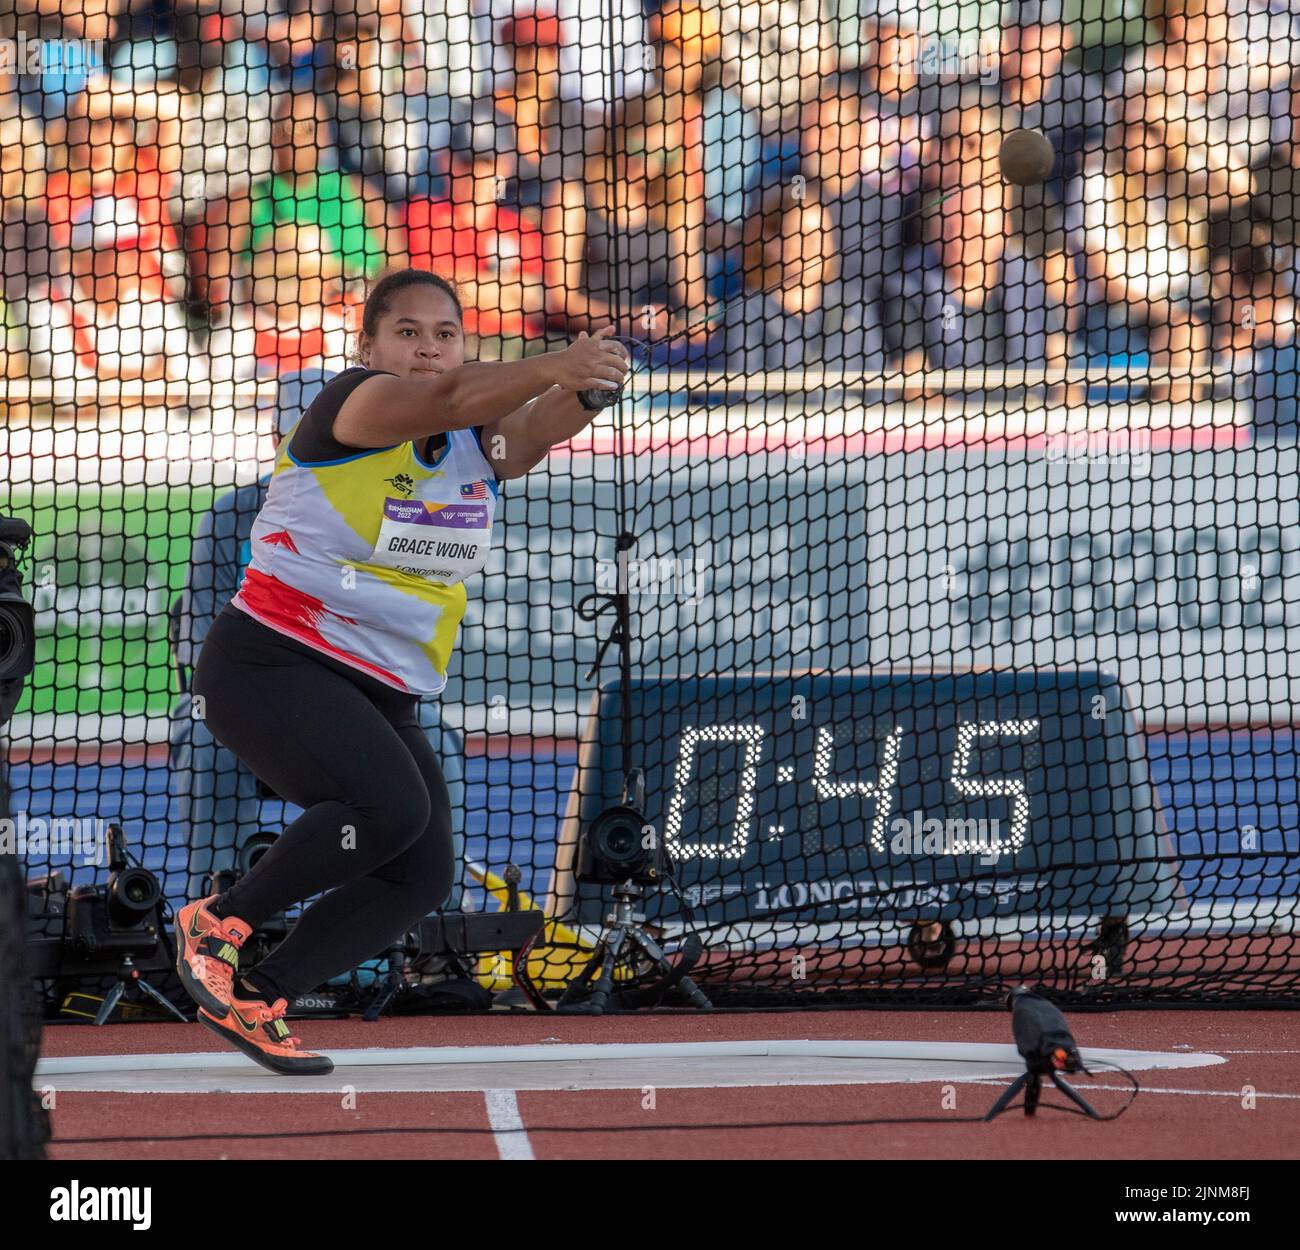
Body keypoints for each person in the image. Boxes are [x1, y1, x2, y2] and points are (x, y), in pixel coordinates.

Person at [174, 267, 629, 1074]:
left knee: (420, 872)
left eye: (444, 334)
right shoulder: (356, 403)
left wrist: (589, 385)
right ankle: (218, 925)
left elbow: (531, 431)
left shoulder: (471, 444)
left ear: (465, 342)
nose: (427, 348)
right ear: (371, 346)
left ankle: (260, 993)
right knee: (385, 806)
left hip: (379, 687)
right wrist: (560, 359)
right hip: (269, 661)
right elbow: (452, 399)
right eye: (408, 333)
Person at [170, 366, 472, 923]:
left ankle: (433, 928)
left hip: (361, 701)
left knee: (438, 746)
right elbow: (199, 639)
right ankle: (210, 904)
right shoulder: (228, 518)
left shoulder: (393, 505)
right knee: (204, 744)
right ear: (276, 439)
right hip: (263, 695)